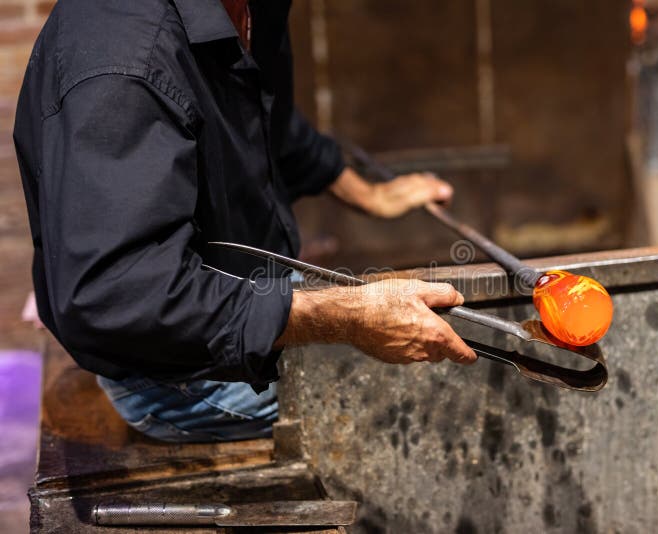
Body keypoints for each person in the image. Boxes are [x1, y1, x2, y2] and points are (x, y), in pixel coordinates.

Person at [13, 0, 477, 442]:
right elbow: (121, 294)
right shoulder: (124, 61)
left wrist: (368, 193)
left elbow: (259, 117)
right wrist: (347, 318)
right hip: (177, 377)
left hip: (251, 298)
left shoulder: (246, 8)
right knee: (453, 400)